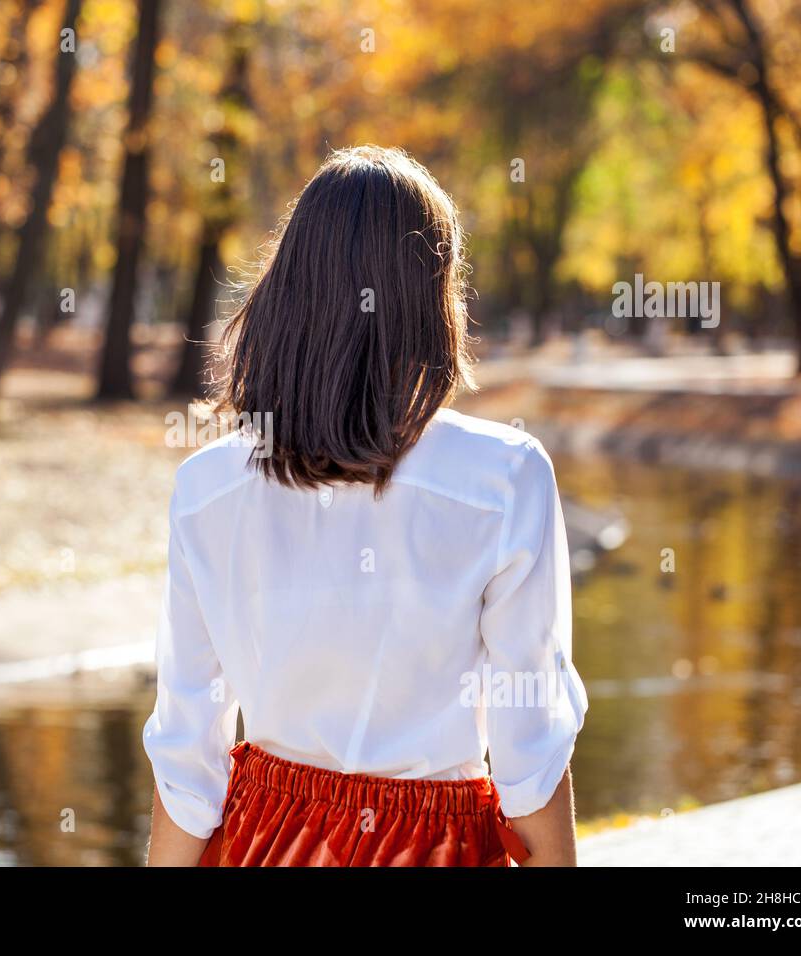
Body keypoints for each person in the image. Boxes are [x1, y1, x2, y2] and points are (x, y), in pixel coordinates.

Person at [143, 145, 587, 867]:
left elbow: (188, 757)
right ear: (433, 300)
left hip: (267, 843)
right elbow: (527, 755)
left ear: (287, 292)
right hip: (435, 848)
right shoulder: (506, 479)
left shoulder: (207, 488)